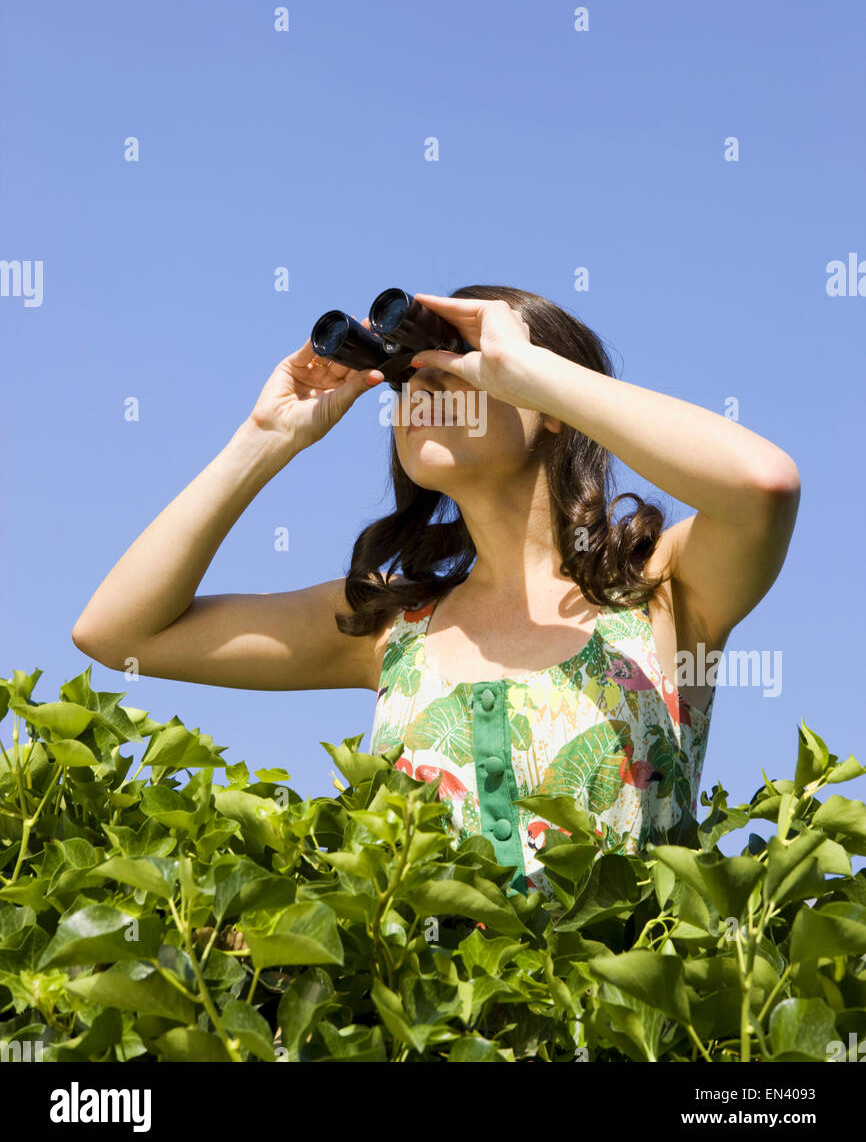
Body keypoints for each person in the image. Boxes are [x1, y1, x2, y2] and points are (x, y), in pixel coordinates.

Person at [72, 284, 800, 902]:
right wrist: (265, 438)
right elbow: (120, 634)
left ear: (547, 398)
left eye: (456, 365)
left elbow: (762, 485)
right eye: (406, 377)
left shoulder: (664, 593)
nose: (420, 387)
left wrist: (531, 371)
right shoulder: (393, 625)